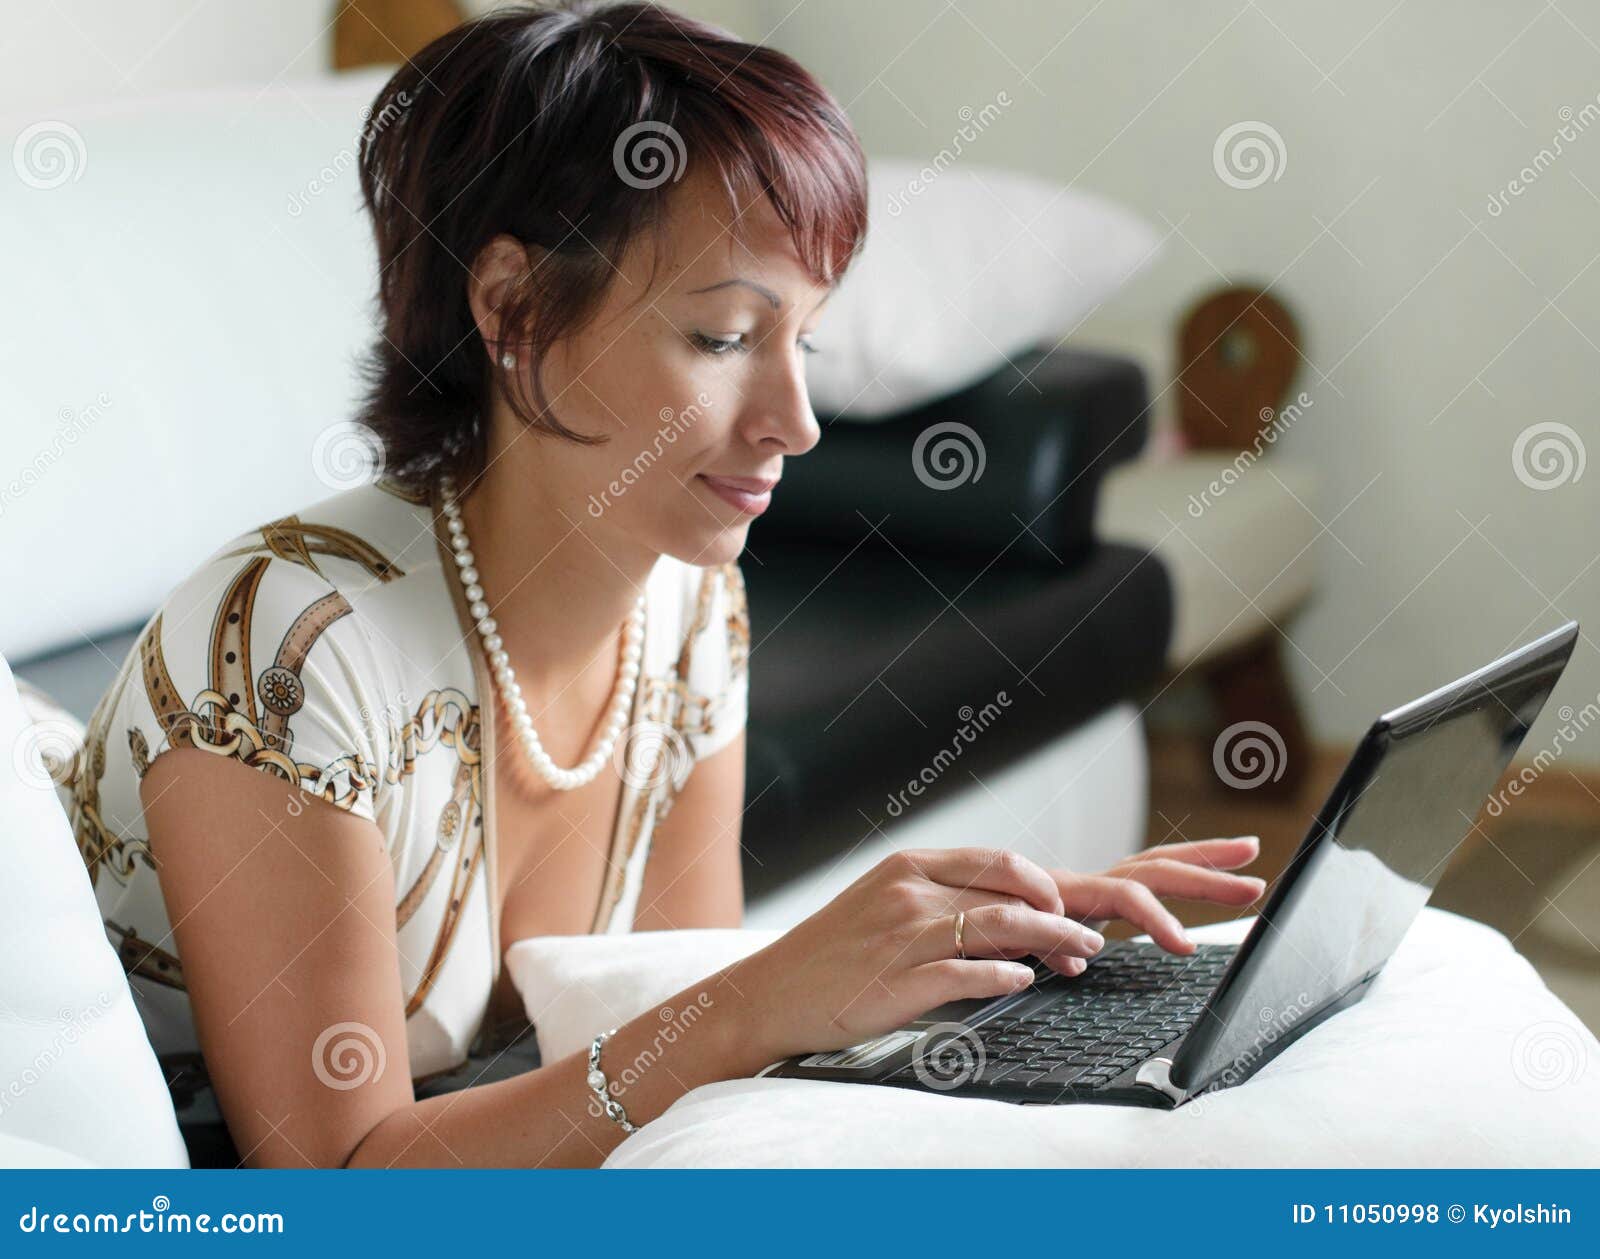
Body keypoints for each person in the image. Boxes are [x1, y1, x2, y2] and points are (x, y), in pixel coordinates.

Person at [67, 0, 1265, 1168]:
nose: (796, 421)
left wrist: (971, 962)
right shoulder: (287, 653)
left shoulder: (683, 606)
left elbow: (673, 1028)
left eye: (805, 339)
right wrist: (768, 989)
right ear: (513, 307)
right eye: (724, 337)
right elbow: (343, 1187)